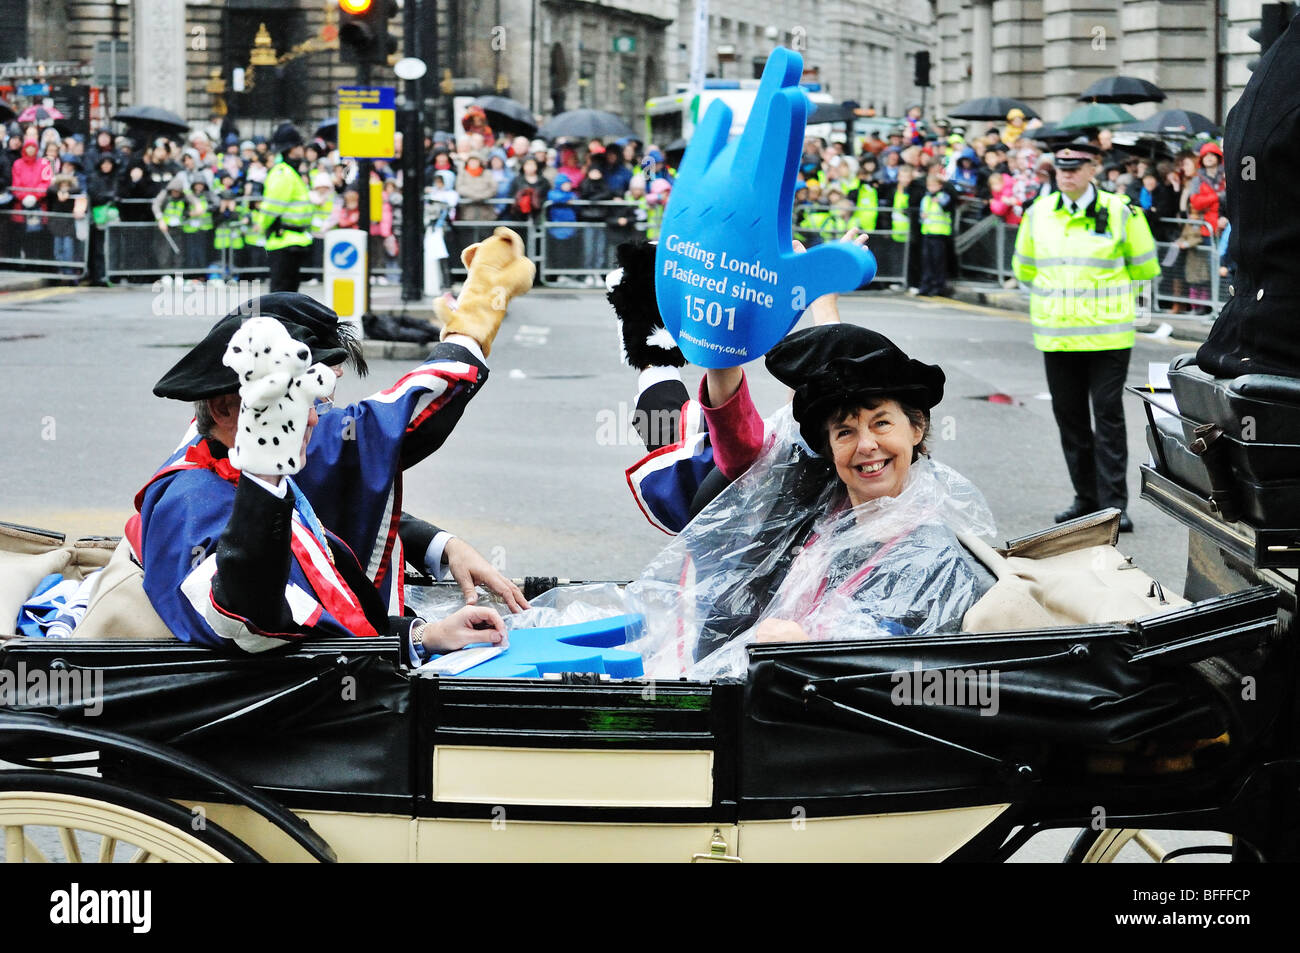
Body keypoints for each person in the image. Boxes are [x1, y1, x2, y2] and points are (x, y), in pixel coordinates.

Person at [137, 237, 534, 655]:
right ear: (224, 406)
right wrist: (477, 311)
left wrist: (423, 625)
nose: (316, 416)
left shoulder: (236, 454)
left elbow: (323, 613)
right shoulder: (195, 496)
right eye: (305, 398)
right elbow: (250, 622)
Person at [1012, 137, 1161, 533]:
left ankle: (1114, 505)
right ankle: (1086, 499)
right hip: (1058, 336)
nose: (1067, 175)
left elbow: (1146, 266)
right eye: (1061, 168)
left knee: (1108, 418)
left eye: (1075, 168)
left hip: (1107, 337)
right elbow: (1024, 268)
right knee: (1071, 421)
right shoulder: (1038, 213)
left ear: (1094, 168)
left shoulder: (1120, 211)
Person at [256, 123, 315, 293]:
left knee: (288, 294)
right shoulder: (283, 172)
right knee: (281, 295)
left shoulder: (290, 171)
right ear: (291, 149)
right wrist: (262, 226)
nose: (302, 149)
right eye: (299, 145)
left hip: (292, 241)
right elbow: (271, 207)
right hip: (283, 242)